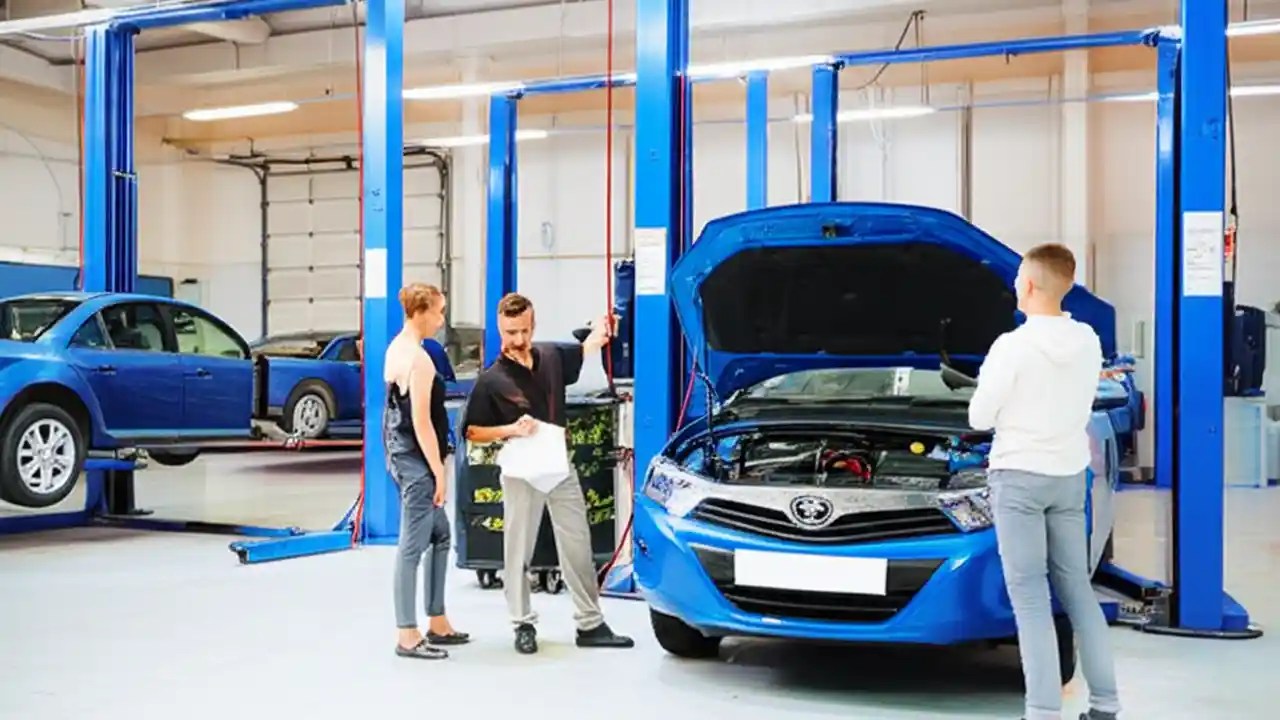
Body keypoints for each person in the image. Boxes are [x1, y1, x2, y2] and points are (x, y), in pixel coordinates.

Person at [967, 244, 1121, 720]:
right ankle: (1105, 705)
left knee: (1031, 596)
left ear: (1030, 284)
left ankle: (1043, 711)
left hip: (1019, 478)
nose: (1015, 284)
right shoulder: (1088, 340)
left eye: (1018, 277)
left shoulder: (1012, 347)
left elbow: (978, 417)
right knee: (1078, 590)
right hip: (1068, 475)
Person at [461, 292, 634, 655]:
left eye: (524, 330)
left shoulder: (553, 356)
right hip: (520, 470)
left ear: (533, 324)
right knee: (517, 549)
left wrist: (602, 327)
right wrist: (510, 430)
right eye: (511, 332)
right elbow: (472, 431)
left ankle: (590, 623)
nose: (518, 339)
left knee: (578, 542)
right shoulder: (491, 380)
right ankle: (522, 623)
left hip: (558, 465)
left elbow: (587, 347)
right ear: (500, 329)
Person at [384, 283, 469, 660]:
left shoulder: (397, 348)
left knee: (440, 534)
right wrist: (439, 471)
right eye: (438, 311)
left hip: (402, 455)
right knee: (412, 546)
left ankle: (438, 621)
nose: (441, 319)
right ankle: (407, 633)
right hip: (416, 462)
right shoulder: (419, 360)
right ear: (420, 312)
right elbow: (421, 421)